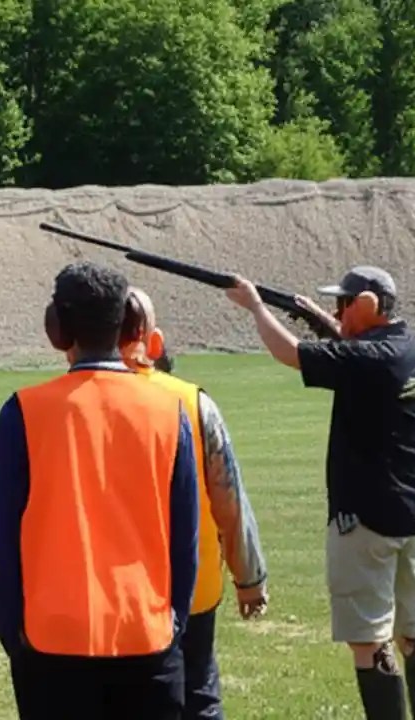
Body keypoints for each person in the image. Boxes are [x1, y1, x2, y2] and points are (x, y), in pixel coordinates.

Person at [224, 266, 415, 720]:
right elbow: (359, 354)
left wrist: (255, 305)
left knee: (371, 645)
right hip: (412, 516)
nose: (337, 310)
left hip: (365, 519)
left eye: (344, 304)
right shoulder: (414, 350)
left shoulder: (371, 359)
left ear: (367, 304)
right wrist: (326, 324)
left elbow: (289, 353)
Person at [0, 261, 200, 719]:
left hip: (52, 642)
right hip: (147, 637)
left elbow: (2, 539)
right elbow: (186, 536)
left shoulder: (24, 411)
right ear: (128, 326)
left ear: (57, 329)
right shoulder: (168, 410)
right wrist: (173, 623)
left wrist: (14, 633)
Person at [119, 287, 270, 719]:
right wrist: (249, 575)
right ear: (154, 342)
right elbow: (228, 496)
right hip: (195, 589)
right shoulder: (192, 400)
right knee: (199, 692)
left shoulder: (82, 402)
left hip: (116, 595)